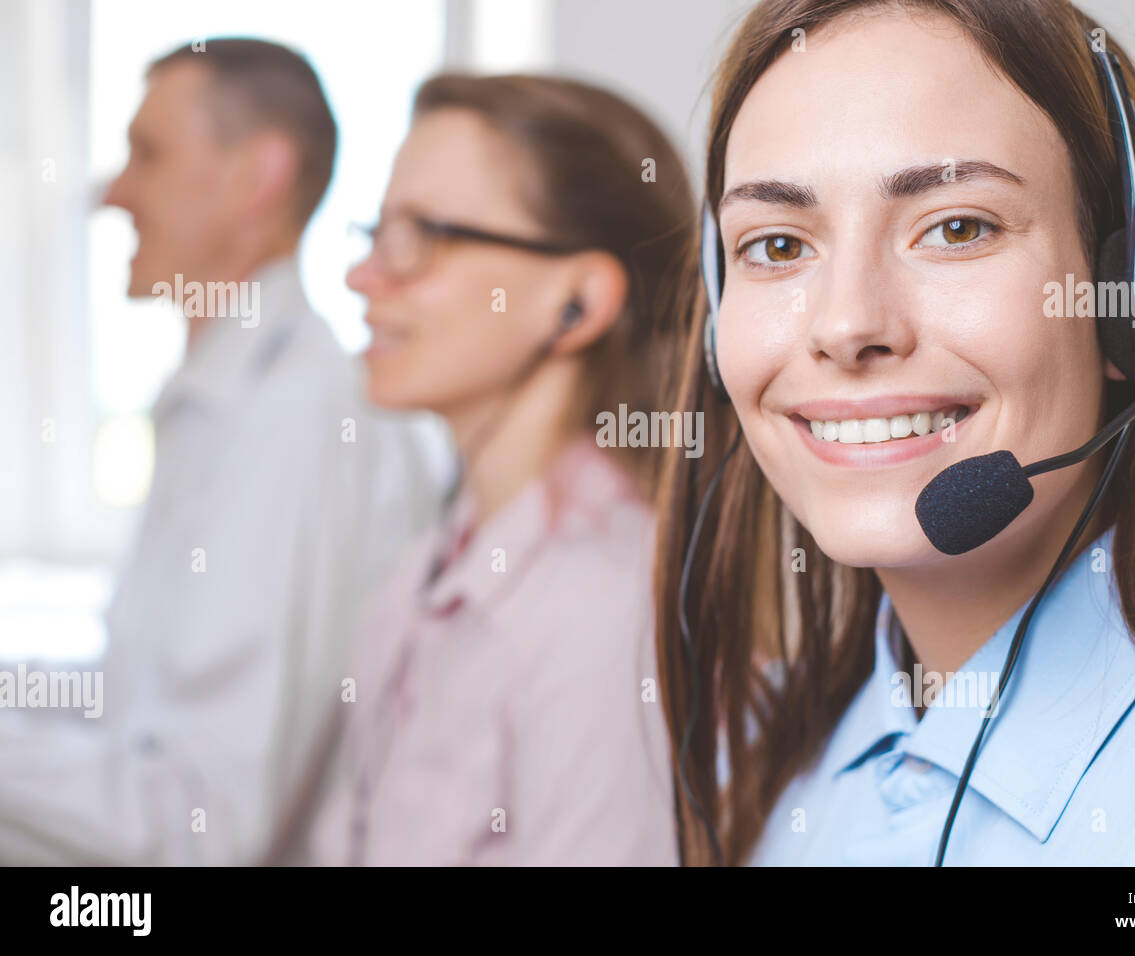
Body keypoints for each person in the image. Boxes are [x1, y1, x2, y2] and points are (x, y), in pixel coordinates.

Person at [657, 0, 1135, 866]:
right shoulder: (790, 779)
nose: (847, 324)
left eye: (958, 227)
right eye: (776, 246)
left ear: (1132, 310)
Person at [0, 39, 443, 864]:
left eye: (149, 155)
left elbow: (201, 820)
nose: (113, 192)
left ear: (257, 179)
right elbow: (133, 695)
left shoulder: (298, 422)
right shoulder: (223, 399)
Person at [310, 73, 694, 865]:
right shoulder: (419, 575)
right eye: (375, 232)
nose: (363, 275)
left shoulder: (605, 610)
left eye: (423, 235)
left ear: (579, 301)